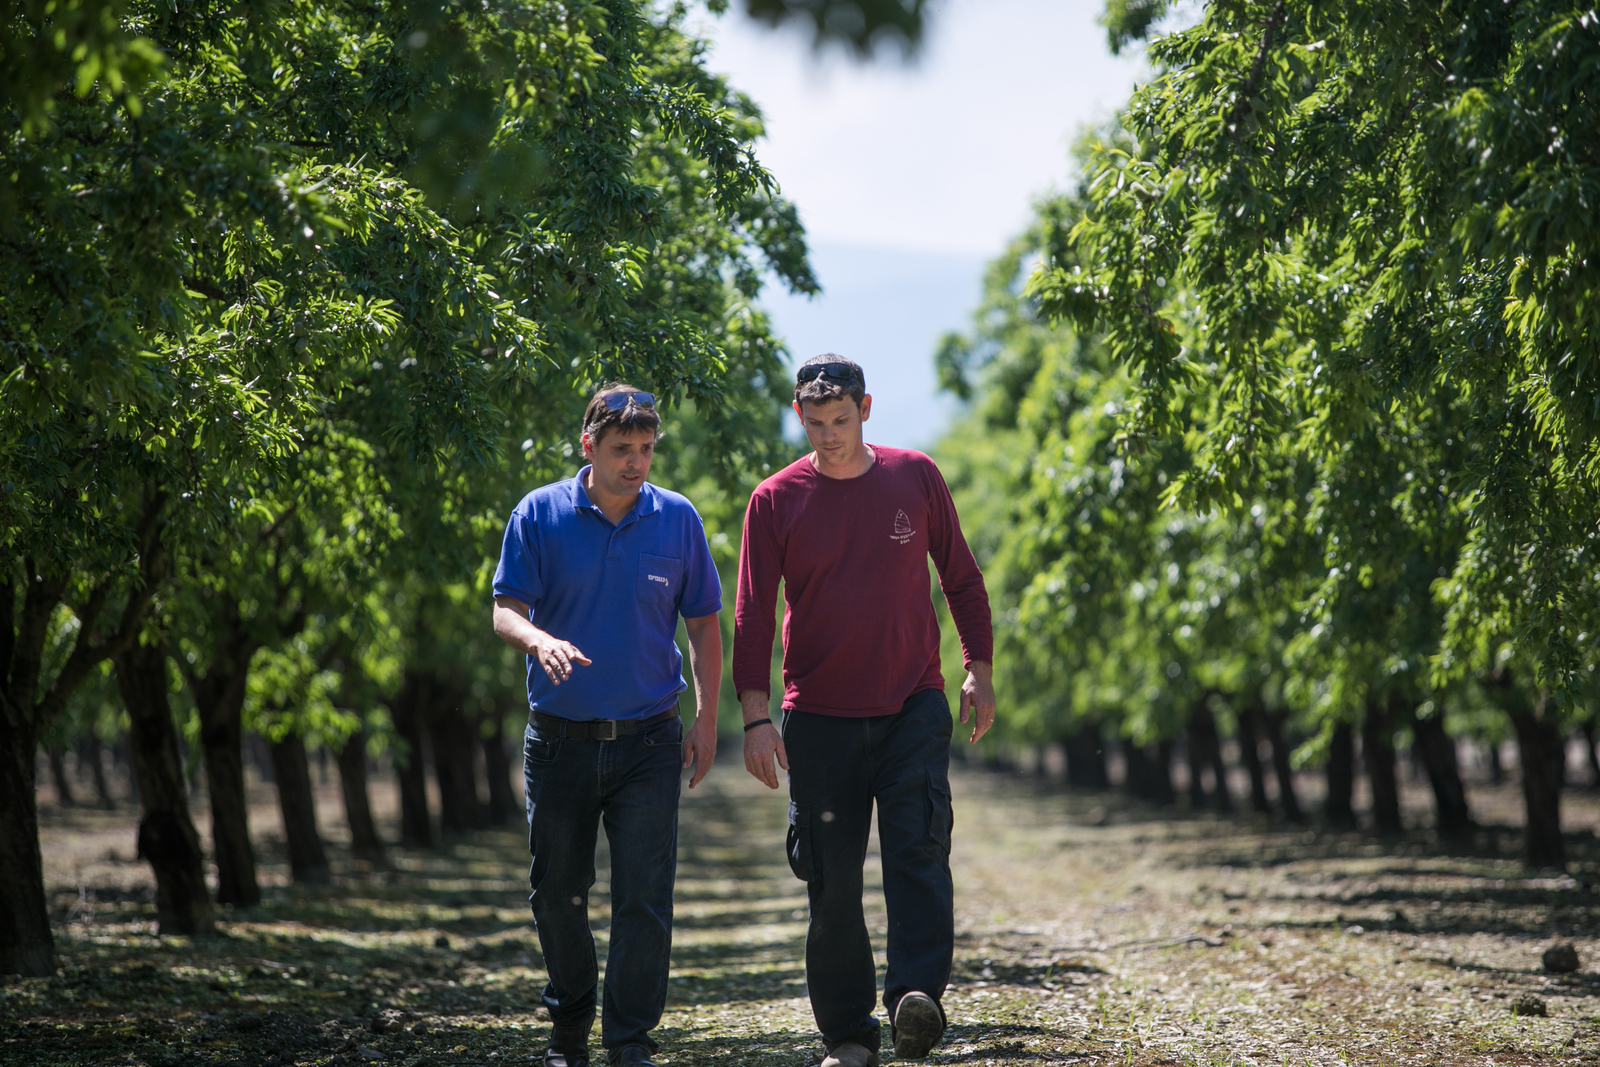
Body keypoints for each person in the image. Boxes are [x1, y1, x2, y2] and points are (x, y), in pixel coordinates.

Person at [733, 356, 996, 1067]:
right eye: (815, 424)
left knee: (917, 849)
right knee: (832, 879)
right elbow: (754, 615)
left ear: (866, 409)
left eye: (840, 421)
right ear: (800, 416)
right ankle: (848, 1034)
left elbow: (962, 578)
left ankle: (917, 999)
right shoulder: (775, 499)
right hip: (817, 716)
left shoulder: (915, 477)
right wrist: (755, 717)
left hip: (913, 702)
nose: (829, 436)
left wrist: (979, 668)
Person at [492, 384, 723, 1067]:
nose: (637, 462)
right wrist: (538, 640)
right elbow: (505, 609)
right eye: (623, 448)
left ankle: (629, 1041)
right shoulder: (538, 513)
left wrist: (707, 718)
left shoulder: (677, 519)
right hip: (559, 739)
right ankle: (569, 1026)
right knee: (556, 893)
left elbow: (704, 623)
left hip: (650, 740)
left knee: (643, 899)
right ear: (588, 444)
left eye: (647, 449)